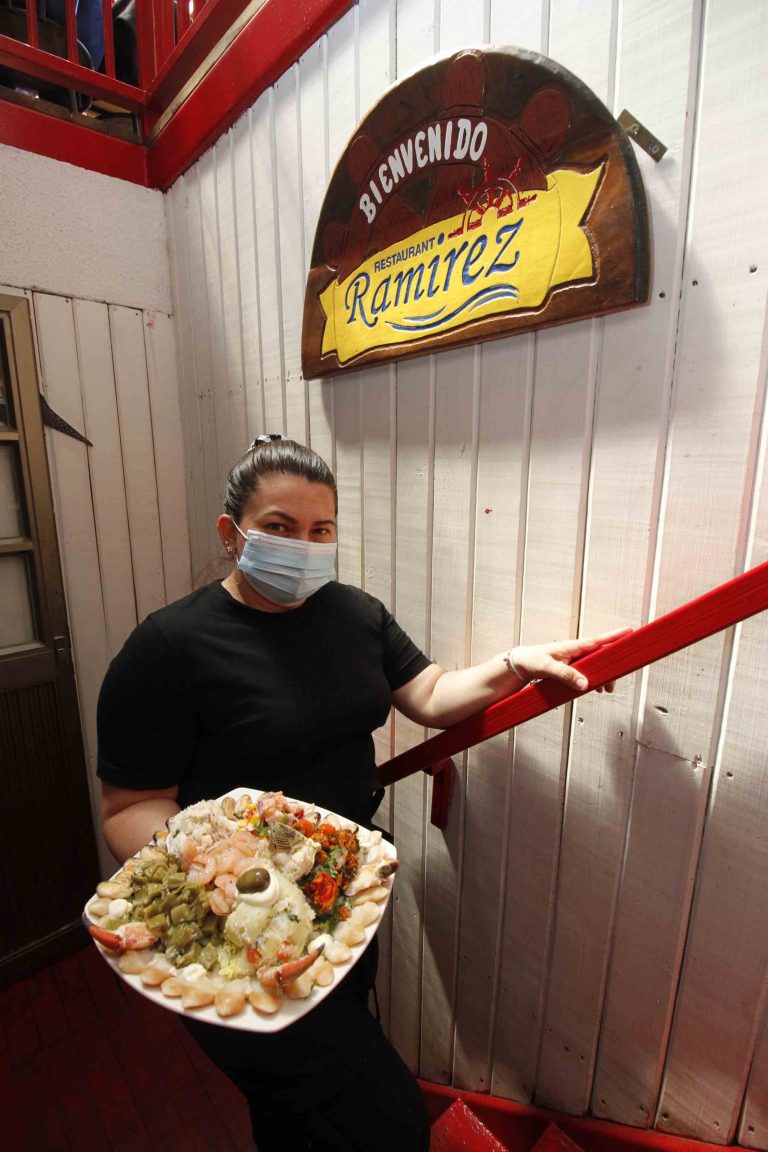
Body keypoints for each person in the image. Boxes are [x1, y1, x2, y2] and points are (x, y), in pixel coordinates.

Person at [97, 435, 627, 1151]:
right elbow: (130, 808)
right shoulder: (167, 647)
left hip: (345, 898)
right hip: (235, 936)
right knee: (389, 1121)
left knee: (297, 1114)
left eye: (321, 530)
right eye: (280, 527)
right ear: (231, 533)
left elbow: (430, 693)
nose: (304, 546)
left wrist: (515, 664)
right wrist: (227, 863)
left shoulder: (354, 614)